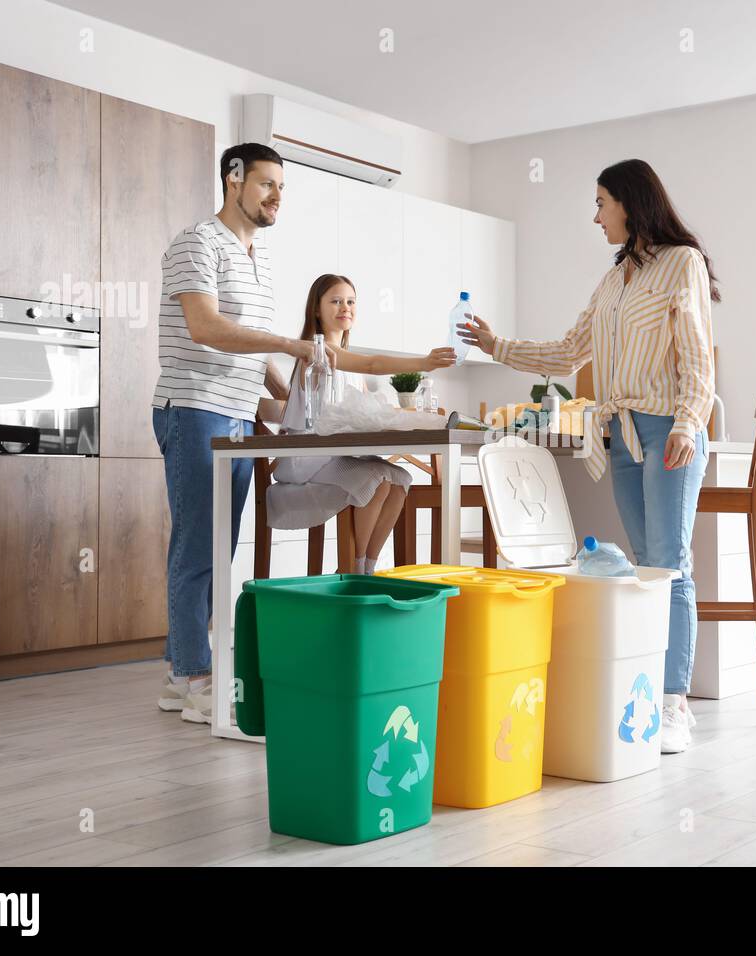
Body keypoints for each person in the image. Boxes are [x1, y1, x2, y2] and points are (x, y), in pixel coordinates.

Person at [459, 158, 718, 753]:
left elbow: (698, 353)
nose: (595, 215)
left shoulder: (683, 263)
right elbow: (570, 350)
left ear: (629, 202)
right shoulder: (613, 279)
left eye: (601, 202)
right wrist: (499, 346)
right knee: (644, 565)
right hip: (621, 431)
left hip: (667, 429)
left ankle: (675, 703)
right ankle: (650, 690)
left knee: (670, 563)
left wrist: (687, 421)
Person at [152, 142, 333, 724]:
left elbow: (248, 345)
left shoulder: (259, 258)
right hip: (194, 408)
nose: (277, 196)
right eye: (266, 184)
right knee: (198, 547)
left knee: (218, 549)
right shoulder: (196, 243)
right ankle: (195, 675)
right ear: (233, 180)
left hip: (237, 414)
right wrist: (286, 343)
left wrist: (290, 394)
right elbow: (206, 327)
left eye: (282, 187)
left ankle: (180, 672)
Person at [268, 273, 456, 570]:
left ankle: (367, 565)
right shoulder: (316, 353)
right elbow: (373, 364)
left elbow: (360, 410)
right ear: (317, 309)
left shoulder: (348, 361)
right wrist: (423, 363)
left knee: (401, 480)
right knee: (377, 480)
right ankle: (353, 567)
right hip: (306, 456)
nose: (345, 307)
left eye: (351, 301)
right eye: (336, 301)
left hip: (335, 454)